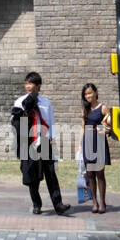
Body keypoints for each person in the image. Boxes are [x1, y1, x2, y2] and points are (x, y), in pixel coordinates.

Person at [11, 72, 69, 216]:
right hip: (28, 142)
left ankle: (58, 204)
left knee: (50, 173)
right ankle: (36, 204)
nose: (28, 86)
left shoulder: (45, 102)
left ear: (38, 86)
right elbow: (15, 122)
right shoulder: (20, 102)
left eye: (31, 83)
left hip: (43, 141)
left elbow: (50, 121)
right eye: (26, 83)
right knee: (32, 176)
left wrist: (51, 139)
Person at [80, 82, 111, 213]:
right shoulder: (85, 109)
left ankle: (102, 202)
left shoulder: (103, 108)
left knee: (100, 173)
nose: (88, 96)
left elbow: (110, 125)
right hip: (87, 142)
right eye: (86, 94)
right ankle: (94, 202)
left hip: (98, 142)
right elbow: (82, 127)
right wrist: (80, 144)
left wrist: (105, 131)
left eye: (90, 93)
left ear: (96, 93)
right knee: (90, 174)